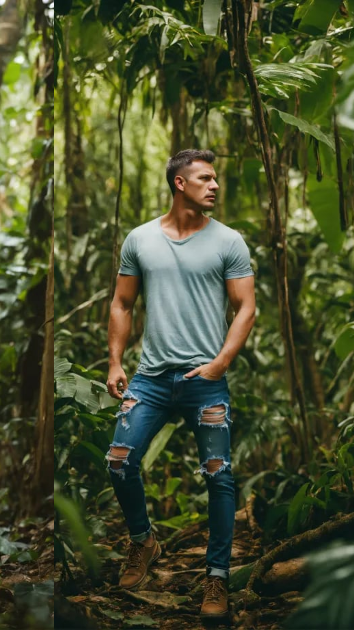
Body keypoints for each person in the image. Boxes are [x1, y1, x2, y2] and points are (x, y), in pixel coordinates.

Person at [105, 149, 255, 620]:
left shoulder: (228, 241)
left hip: (205, 382)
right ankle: (144, 541)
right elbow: (122, 303)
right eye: (205, 178)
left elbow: (246, 307)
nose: (214, 186)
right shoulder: (140, 239)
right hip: (150, 379)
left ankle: (217, 578)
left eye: (215, 179)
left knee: (218, 475)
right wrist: (115, 362)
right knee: (119, 462)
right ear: (179, 183)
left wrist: (220, 364)